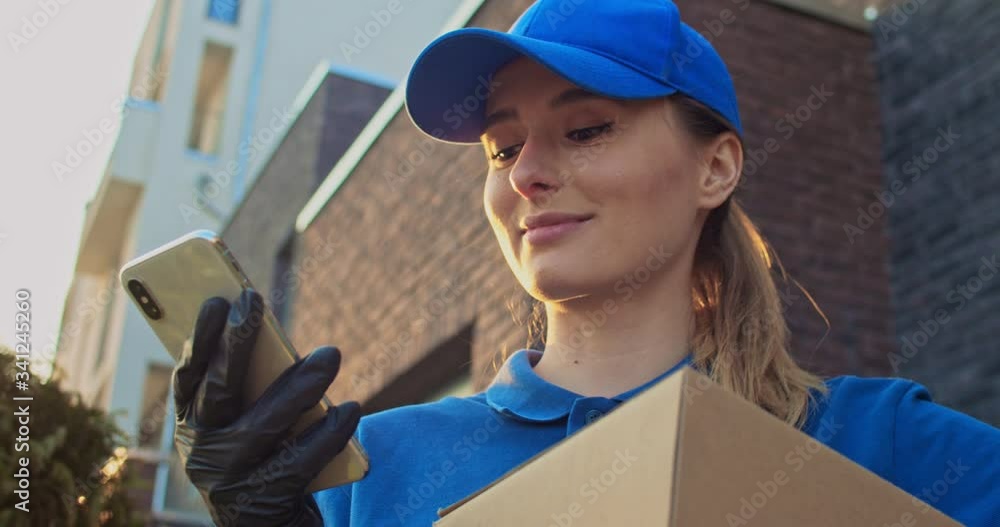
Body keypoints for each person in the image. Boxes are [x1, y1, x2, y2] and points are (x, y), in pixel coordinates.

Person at [170, 0, 1000, 525]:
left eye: (587, 128)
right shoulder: (362, 473)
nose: (525, 172)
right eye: (501, 146)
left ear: (715, 167)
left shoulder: (877, 441)